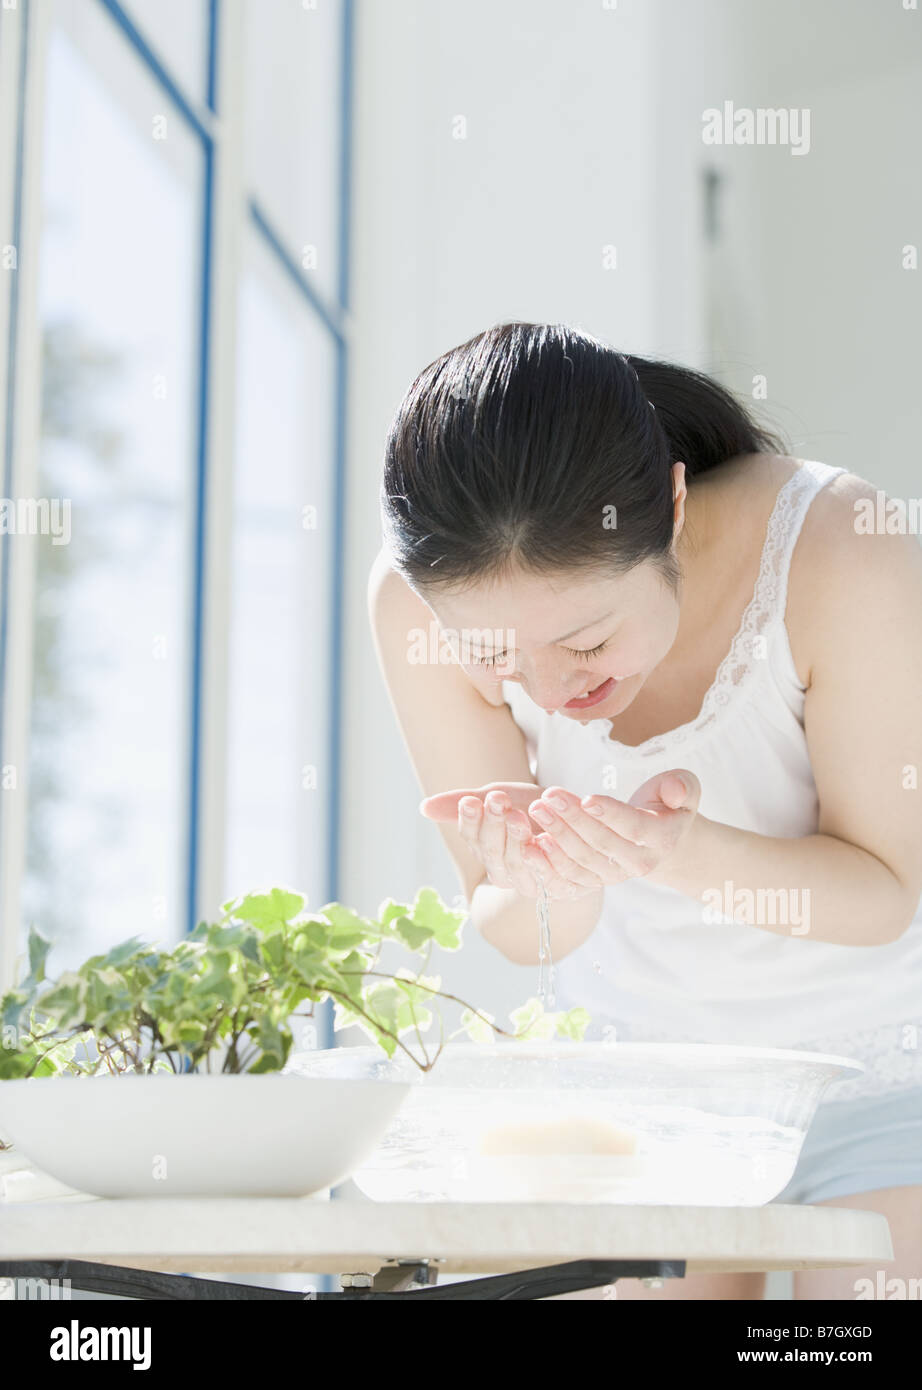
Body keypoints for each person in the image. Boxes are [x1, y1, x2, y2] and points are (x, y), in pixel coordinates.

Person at [368, 320, 922, 1300]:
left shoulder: (838, 546)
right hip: (653, 1099)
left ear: (666, 505)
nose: (545, 684)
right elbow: (509, 920)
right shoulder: (418, 607)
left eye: (584, 641)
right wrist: (551, 878)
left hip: (882, 1075)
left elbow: (884, 893)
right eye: (497, 661)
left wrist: (677, 853)